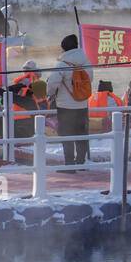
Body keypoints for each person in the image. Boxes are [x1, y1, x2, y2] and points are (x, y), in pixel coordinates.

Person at [46, 34, 92, 166]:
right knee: (81, 135)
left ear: (64, 48)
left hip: (65, 107)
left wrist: (50, 94)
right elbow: (90, 80)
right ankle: (81, 162)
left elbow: (52, 84)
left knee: (67, 136)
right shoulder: (86, 62)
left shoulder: (62, 64)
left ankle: (70, 164)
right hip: (82, 105)